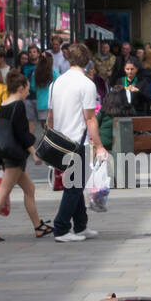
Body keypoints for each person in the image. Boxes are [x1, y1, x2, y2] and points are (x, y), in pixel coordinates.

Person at [0, 72, 51, 242]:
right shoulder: (18, 105)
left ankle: (38, 226)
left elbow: (2, 134)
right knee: (3, 191)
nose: (28, 91)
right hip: (15, 157)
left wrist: (1, 159)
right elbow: (22, 134)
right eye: (26, 87)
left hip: (8, 155)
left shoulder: (4, 104)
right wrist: (34, 154)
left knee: (29, 189)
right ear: (20, 88)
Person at [47, 42, 106, 243]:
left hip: (58, 140)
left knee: (75, 184)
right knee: (74, 187)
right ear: (87, 60)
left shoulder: (55, 83)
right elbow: (90, 118)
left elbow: (50, 116)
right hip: (76, 141)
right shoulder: (86, 84)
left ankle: (80, 225)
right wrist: (99, 145)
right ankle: (61, 228)